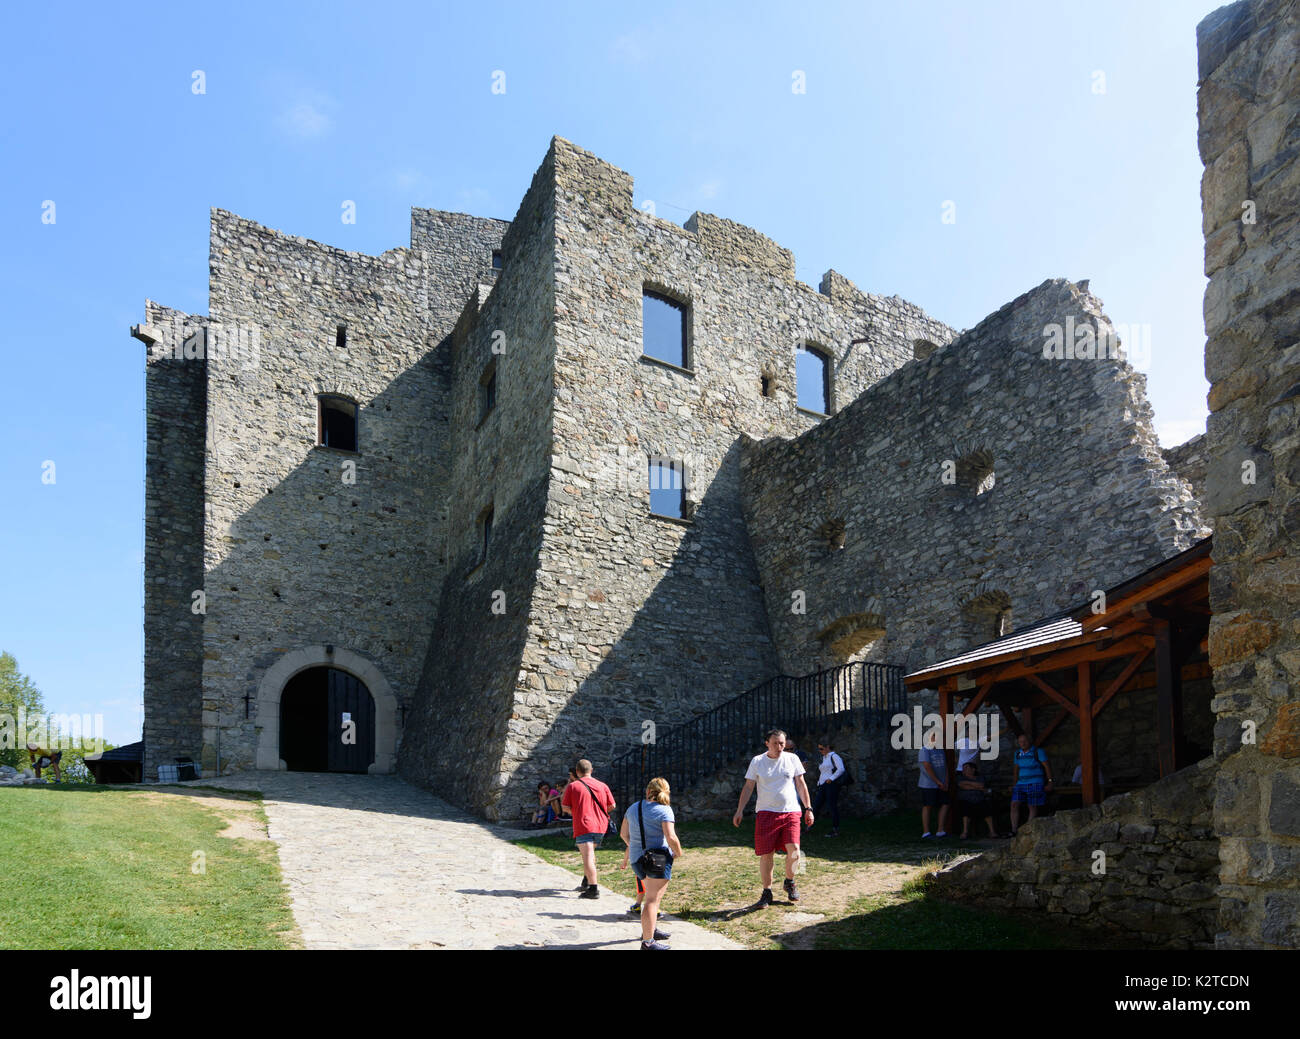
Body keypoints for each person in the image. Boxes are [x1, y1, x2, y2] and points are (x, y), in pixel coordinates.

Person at [732, 729, 814, 905]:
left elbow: (801, 784)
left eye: (782, 744)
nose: (779, 747)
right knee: (767, 854)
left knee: (795, 851)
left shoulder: (792, 759)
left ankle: (789, 882)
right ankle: (767, 892)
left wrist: (808, 808)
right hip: (766, 812)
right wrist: (739, 810)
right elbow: (748, 787)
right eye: (776, 743)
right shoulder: (758, 761)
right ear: (767, 743)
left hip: (791, 811)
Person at [619, 777, 682, 950]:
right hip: (658, 860)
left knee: (652, 897)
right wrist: (678, 852)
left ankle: (651, 929)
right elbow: (671, 837)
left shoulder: (633, 808)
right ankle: (648, 942)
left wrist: (635, 846)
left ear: (648, 791)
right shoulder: (665, 810)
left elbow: (623, 834)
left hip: (636, 860)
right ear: (666, 791)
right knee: (652, 900)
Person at [561, 758, 616, 899]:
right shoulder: (603, 785)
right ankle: (586, 881)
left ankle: (593, 889)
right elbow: (612, 806)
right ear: (591, 770)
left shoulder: (573, 786)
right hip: (601, 826)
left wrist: (577, 811)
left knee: (588, 857)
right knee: (590, 855)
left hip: (584, 824)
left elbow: (565, 807)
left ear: (577, 772)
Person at [1010, 734, 1052, 834]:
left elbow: (1047, 767)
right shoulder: (1017, 753)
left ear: (1029, 741)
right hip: (1020, 783)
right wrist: (1014, 784)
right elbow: (1016, 770)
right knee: (1014, 804)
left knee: (1032, 806)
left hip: (1035, 782)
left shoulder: (1038, 752)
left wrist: (1050, 782)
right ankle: (1014, 830)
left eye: (1025, 741)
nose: (1022, 743)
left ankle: (1027, 830)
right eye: (1020, 741)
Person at [956, 760, 999, 840]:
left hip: (979, 800)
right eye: (963, 768)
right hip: (966, 800)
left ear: (973, 769)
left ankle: (992, 832)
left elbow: (982, 785)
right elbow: (962, 785)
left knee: (986, 808)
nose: (964, 770)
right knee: (965, 809)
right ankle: (965, 832)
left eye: (966, 768)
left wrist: (969, 784)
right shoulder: (960, 777)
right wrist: (977, 787)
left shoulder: (980, 778)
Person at [812, 738, 846, 837]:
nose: (820, 751)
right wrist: (820, 782)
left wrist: (831, 779)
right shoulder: (825, 757)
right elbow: (824, 772)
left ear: (827, 747)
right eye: (819, 749)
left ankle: (835, 829)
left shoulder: (834, 756)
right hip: (823, 784)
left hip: (831, 784)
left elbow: (841, 769)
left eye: (821, 749)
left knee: (832, 806)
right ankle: (809, 826)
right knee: (816, 805)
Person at [918, 729, 948, 839]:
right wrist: (938, 781)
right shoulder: (925, 750)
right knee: (928, 806)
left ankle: (940, 830)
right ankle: (926, 832)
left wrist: (946, 781)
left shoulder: (941, 750)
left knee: (945, 803)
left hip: (941, 784)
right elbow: (927, 766)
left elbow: (945, 767)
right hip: (928, 784)